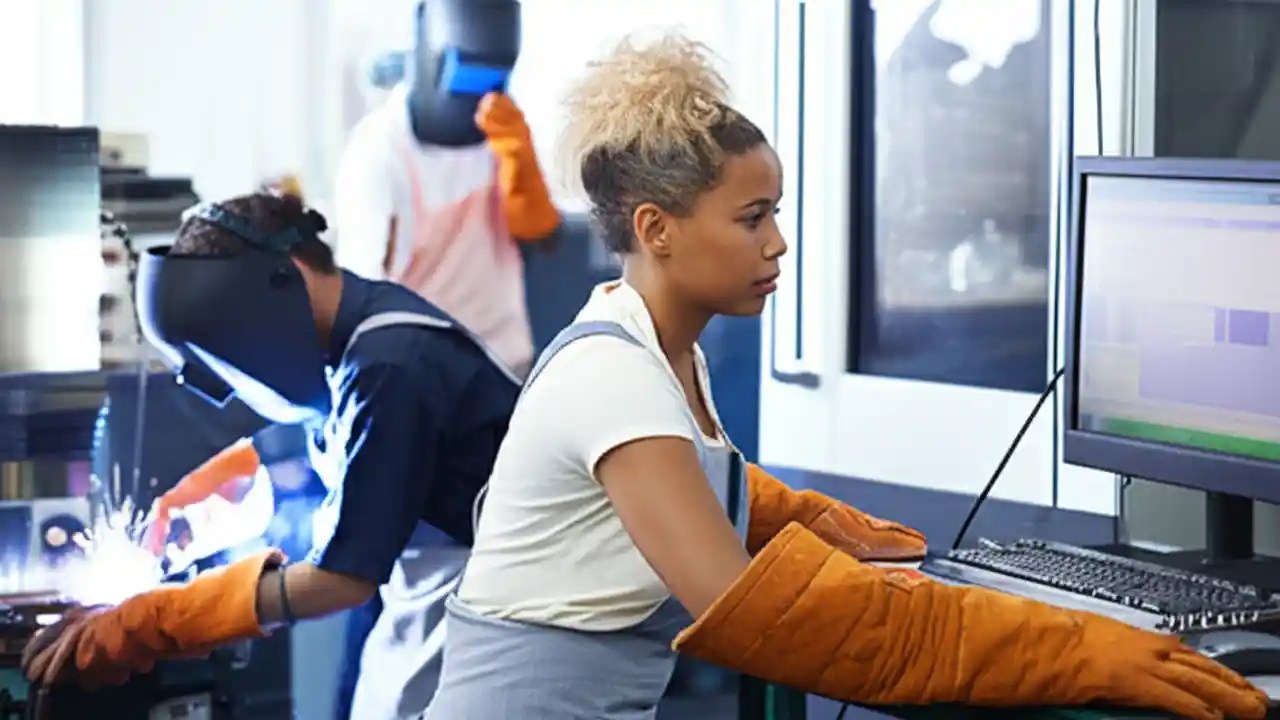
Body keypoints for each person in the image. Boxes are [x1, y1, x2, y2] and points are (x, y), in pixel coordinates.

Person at [421, 33, 1268, 720]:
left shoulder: (660, 355)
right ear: (657, 229)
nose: (777, 243)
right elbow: (766, 621)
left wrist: (860, 542)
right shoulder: (614, 381)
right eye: (752, 218)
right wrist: (1075, 650)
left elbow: (711, 490)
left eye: (776, 214)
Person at [22, 191, 521, 719]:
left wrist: (164, 619)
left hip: (490, 613)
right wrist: (243, 481)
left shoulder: (390, 363)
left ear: (289, 276)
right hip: (433, 596)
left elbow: (339, 582)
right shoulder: (356, 337)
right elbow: (357, 453)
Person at [335, 0, 559, 379]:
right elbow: (362, 291)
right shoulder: (378, 151)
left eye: (493, 78)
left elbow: (544, 239)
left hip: (506, 363)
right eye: (466, 75)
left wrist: (521, 166)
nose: (477, 95)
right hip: (420, 373)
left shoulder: (501, 129)